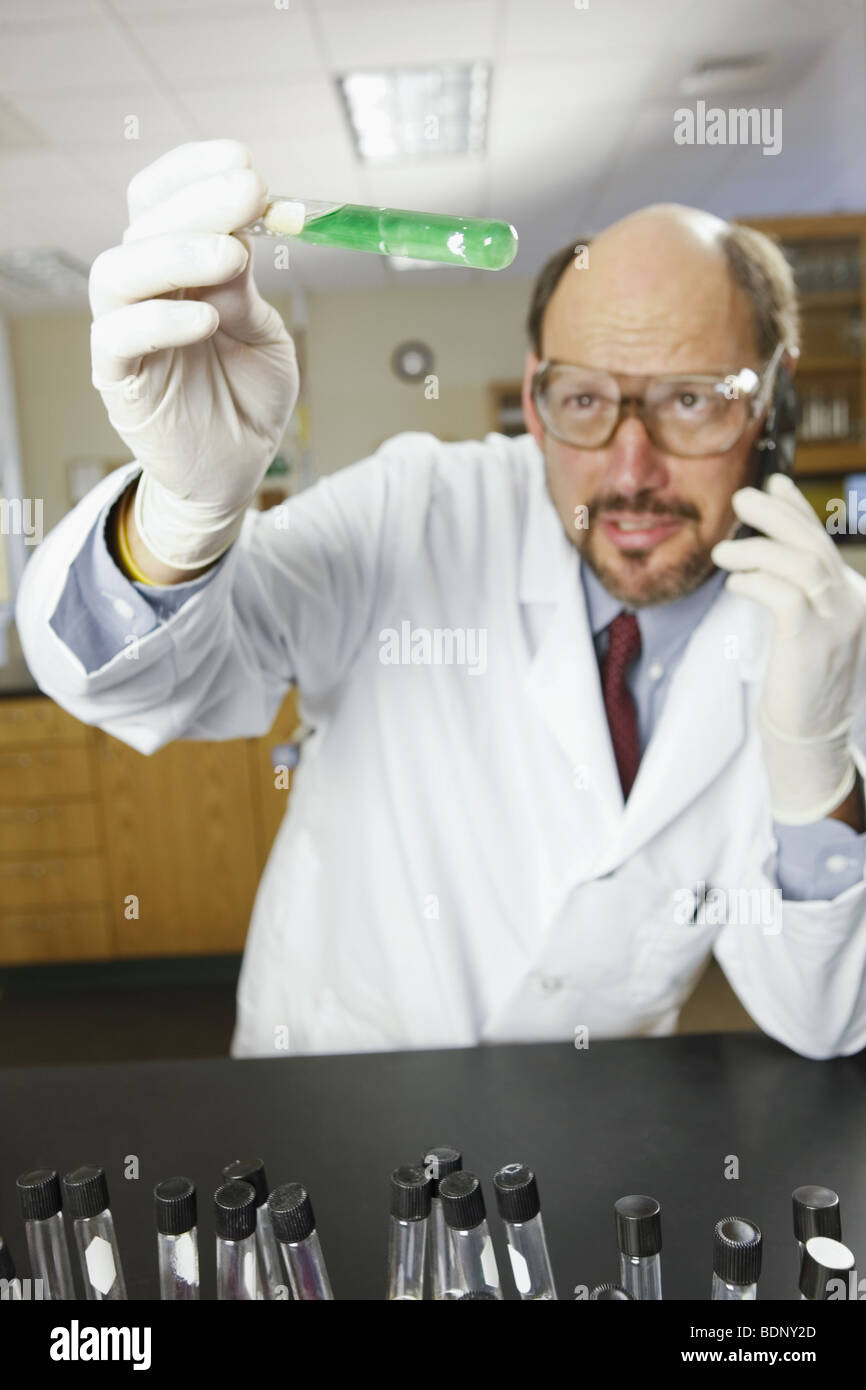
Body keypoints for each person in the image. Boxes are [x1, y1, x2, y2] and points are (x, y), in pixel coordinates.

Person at [15, 140, 866, 1061]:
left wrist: (816, 771)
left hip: (592, 1130)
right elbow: (145, 684)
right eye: (584, 399)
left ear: (771, 400)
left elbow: (827, 1017)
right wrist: (184, 516)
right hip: (326, 1097)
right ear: (536, 403)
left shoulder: (821, 633)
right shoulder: (419, 507)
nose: (631, 469)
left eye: (691, 400)